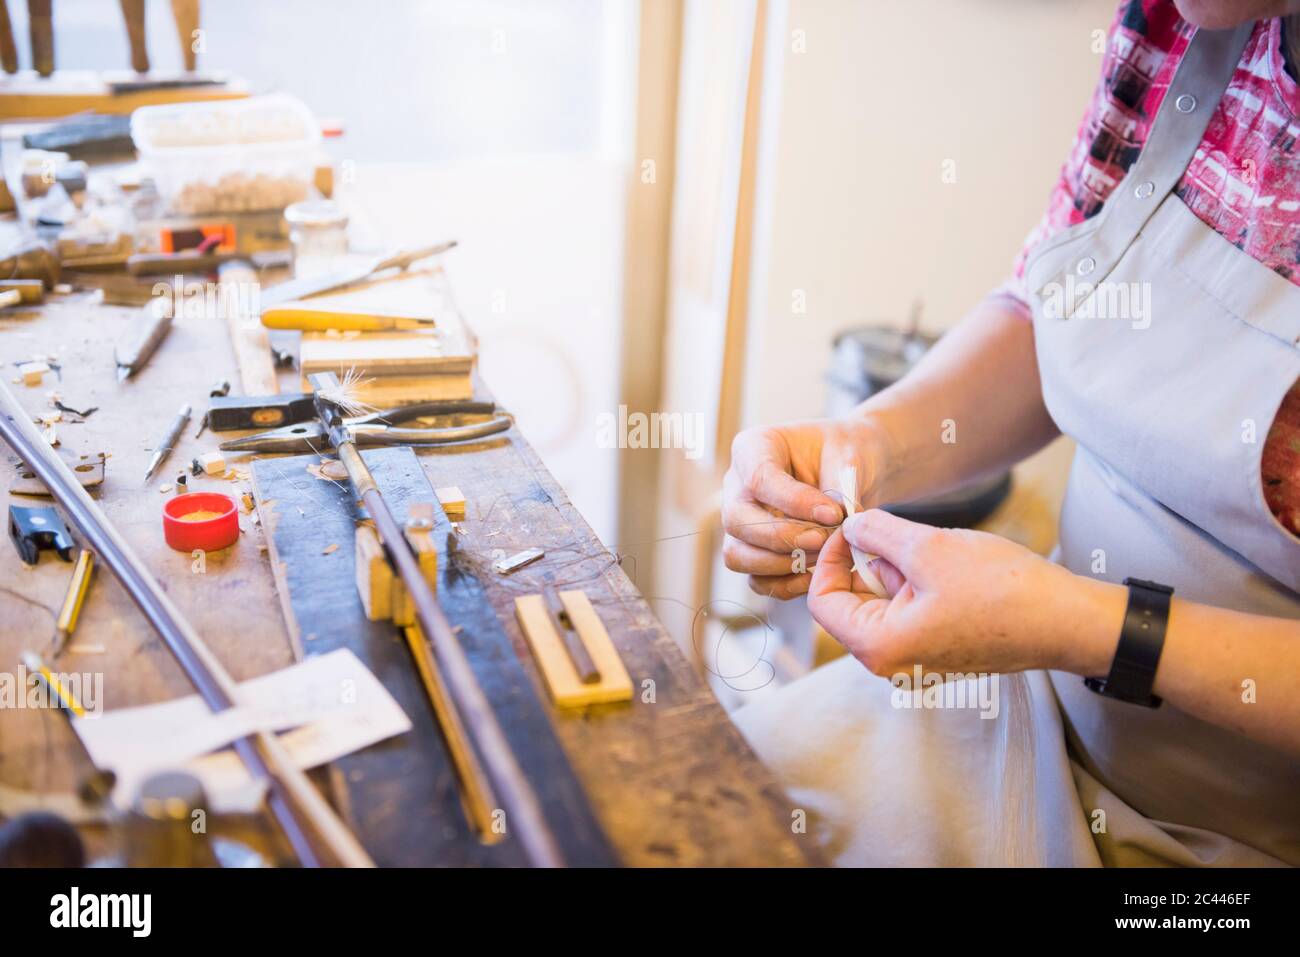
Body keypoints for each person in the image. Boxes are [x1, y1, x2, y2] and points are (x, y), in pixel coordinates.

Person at [723, 0, 1300, 866]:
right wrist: (870, 442)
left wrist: (1085, 624)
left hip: (1236, 853)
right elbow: (1057, 308)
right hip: (1038, 713)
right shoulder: (1179, 19)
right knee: (693, 806)